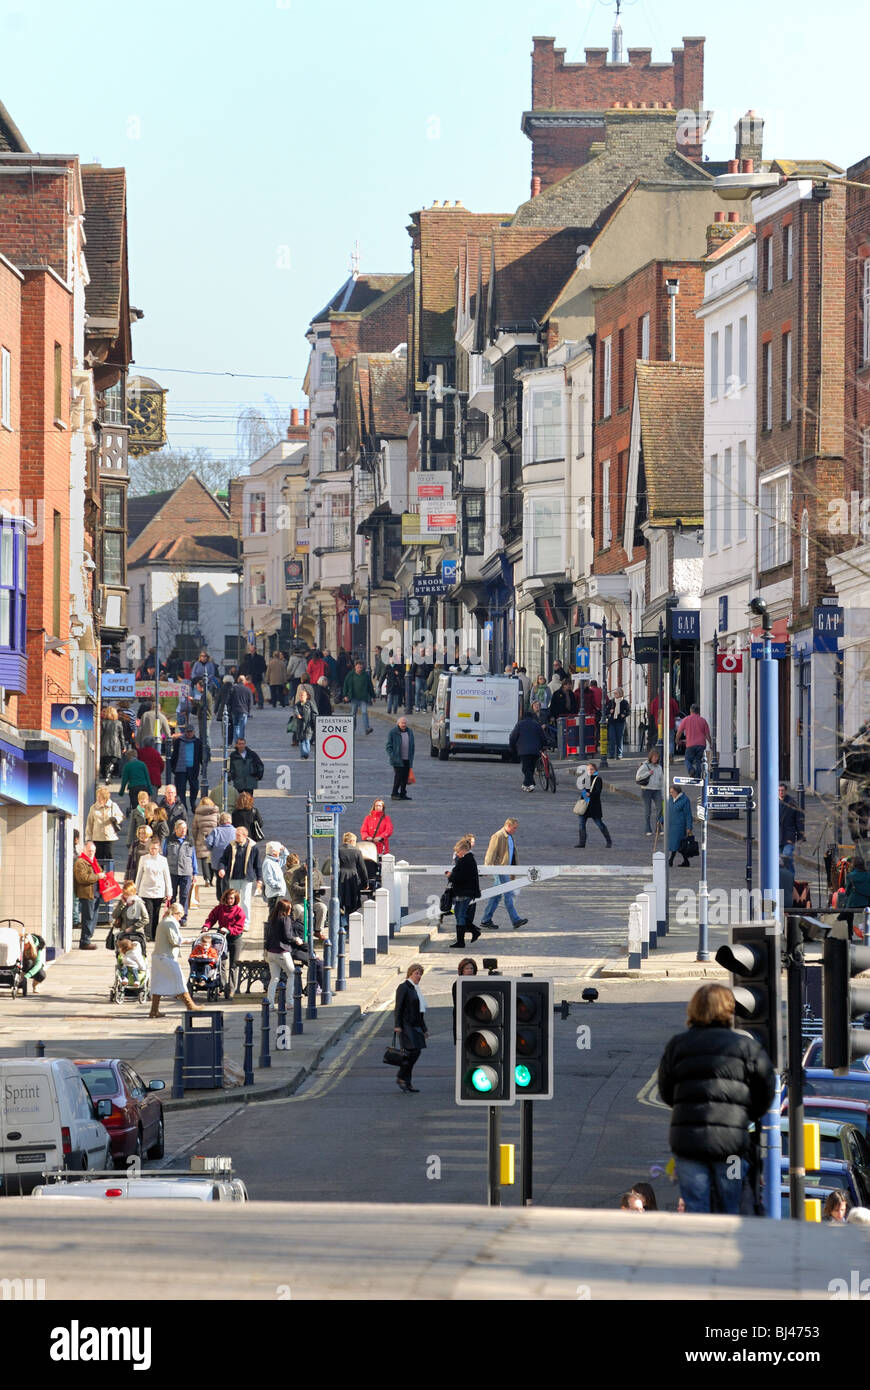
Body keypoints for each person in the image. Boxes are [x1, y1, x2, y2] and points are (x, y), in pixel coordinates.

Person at [658, 982, 776, 1215]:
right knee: (731, 1205)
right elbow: (767, 1089)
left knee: (695, 1207)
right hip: (731, 1145)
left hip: (689, 1142)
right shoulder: (745, 1046)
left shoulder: (678, 1045)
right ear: (728, 1009)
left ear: (694, 1009)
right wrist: (745, 1114)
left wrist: (687, 1108)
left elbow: (666, 1091)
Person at [149, 903, 202, 1018]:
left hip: (157, 957)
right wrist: (190, 940)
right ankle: (190, 1005)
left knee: (157, 983)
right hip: (166, 957)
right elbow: (174, 940)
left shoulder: (164, 921)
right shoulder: (171, 922)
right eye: (180, 916)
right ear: (176, 913)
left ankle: (154, 1010)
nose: (180, 918)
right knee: (179, 980)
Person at [480, 818, 528, 930]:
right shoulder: (498, 836)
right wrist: (486, 868)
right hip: (499, 870)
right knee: (508, 894)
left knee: (496, 896)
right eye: (514, 827)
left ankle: (486, 919)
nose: (515, 830)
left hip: (506, 870)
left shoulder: (509, 836)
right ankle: (515, 920)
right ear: (508, 825)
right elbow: (490, 853)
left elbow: (512, 854)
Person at [204, 889, 248, 995]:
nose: (230, 901)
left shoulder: (239, 911)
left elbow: (239, 927)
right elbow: (211, 919)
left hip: (235, 939)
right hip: (221, 939)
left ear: (235, 899)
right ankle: (222, 986)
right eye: (228, 898)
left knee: (233, 965)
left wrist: (229, 930)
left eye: (232, 898)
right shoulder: (219, 909)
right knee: (220, 963)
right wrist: (206, 926)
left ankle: (231, 988)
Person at [393, 963, 428, 1093]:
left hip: (416, 1026)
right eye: (416, 973)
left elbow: (420, 1012)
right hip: (406, 1025)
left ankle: (405, 1080)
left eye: (420, 974)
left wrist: (424, 1029)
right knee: (410, 1053)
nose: (418, 976)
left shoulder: (415, 989)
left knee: (415, 1053)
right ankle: (403, 1078)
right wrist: (397, 1025)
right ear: (410, 974)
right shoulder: (404, 987)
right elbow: (398, 1007)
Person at [217, 825, 263, 924]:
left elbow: (257, 864)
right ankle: (234, 921)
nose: (236, 837)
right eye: (236, 835)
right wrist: (221, 868)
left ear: (245, 836)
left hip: (247, 878)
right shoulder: (231, 846)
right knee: (233, 900)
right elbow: (223, 859)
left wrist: (259, 878)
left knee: (245, 901)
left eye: (238, 835)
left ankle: (245, 922)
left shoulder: (253, 847)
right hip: (234, 877)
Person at [134, 838, 173, 942]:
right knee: (148, 913)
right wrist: (136, 890)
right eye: (151, 848)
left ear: (158, 849)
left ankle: (154, 934)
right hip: (146, 890)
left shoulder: (163, 860)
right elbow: (139, 875)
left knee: (156, 914)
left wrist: (169, 892)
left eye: (155, 849)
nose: (153, 850)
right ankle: (147, 934)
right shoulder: (144, 859)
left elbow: (167, 877)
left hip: (159, 891)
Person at [446, 836, 481, 949]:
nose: (456, 853)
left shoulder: (466, 860)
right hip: (466, 890)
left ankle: (461, 941)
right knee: (458, 913)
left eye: (458, 851)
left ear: (463, 850)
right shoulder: (467, 859)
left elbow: (460, 877)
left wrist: (451, 876)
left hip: (465, 891)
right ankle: (474, 931)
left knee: (460, 914)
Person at [264, 896, 298, 1007]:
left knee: (274, 978)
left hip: (271, 953)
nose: (291, 910)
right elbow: (287, 936)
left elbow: (268, 937)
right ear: (286, 909)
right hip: (282, 952)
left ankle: (270, 1004)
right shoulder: (285, 919)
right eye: (290, 908)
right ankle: (289, 1002)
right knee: (292, 975)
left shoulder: (273, 919)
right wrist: (296, 939)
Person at [73, 841, 105, 950]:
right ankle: (85, 941)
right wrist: (98, 876)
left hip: (96, 894)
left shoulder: (93, 861)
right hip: (87, 894)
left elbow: (100, 873)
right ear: (84, 850)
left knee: (94, 918)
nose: (91, 853)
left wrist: (102, 876)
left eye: (93, 851)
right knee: (88, 918)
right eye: (89, 850)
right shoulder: (80, 862)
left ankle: (88, 939)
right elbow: (82, 878)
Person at [165, 819, 197, 925]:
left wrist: (195, 873)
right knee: (172, 895)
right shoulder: (169, 840)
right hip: (172, 872)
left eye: (185, 828)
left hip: (186, 872)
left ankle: (183, 918)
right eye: (181, 828)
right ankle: (172, 916)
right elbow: (164, 855)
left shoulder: (190, 841)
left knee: (184, 896)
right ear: (175, 829)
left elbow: (193, 858)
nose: (183, 831)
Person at [85, 785, 125, 869]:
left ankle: (110, 876)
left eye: (100, 797)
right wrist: (88, 839)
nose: (98, 799)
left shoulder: (113, 806)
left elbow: (121, 816)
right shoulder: (93, 808)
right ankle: (99, 877)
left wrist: (115, 819)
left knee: (109, 856)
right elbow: (89, 824)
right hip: (97, 837)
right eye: (97, 797)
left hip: (109, 837)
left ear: (105, 798)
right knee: (98, 858)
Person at [575, 763, 612, 850]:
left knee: (599, 824)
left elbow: (598, 792)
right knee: (581, 824)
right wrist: (584, 795)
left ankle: (608, 840)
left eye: (592, 769)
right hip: (585, 804)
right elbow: (583, 790)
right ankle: (582, 842)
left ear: (595, 770)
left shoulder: (598, 779)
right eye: (588, 769)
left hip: (594, 805)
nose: (590, 771)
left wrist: (590, 794)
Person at [508, 710, 547, 792]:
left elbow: (512, 737)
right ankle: (526, 784)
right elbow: (543, 737)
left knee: (526, 768)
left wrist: (512, 748)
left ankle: (531, 783)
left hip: (524, 750)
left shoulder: (519, 724)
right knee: (531, 768)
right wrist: (544, 746)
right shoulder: (536, 725)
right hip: (535, 750)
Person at [337, 831, 369, 922]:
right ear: (351, 841)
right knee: (352, 901)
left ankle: (342, 922)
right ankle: (350, 922)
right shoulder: (357, 851)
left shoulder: (338, 850)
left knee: (341, 899)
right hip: (353, 878)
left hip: (341, 877)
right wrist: (365, 883)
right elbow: (362, 869)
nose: (355, 844)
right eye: (355, 841)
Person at [169, 726, 202, 811]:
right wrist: (173, 768)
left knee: (194, 787)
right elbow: (174, 755)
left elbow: (200, 755)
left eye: (191, 732)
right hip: (181, 769)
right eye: (188, 732)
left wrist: (203, 765)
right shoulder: (179, 741)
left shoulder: (197, 742)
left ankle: (192, 803)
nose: (189, 733)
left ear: (193, 732)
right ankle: (184, 806)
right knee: (181, 789)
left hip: (193, 768)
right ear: (185, 732)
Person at [676, 704, 713, 779]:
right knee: (699, 761)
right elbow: (707, 734)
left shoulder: (686, 719)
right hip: (701, 744)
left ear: (691, 711)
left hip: (690, 744)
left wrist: (677, 741)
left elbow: (679, 732)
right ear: (698, 711)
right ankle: (698, 776)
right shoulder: (703, 720)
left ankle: (691, 769)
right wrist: (710, 743)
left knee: (688, 760)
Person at [112, 882, 150, 955]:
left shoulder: (139, 903)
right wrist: (122, 905)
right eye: (124, 894)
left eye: (128, 894)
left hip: (136, 934)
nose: (126, 896)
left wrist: (133, 927)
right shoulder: (122, 902)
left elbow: (146, 919)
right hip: (124, 933)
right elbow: (114, 915)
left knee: (136, 954)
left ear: (133, 893)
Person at [206, 812, 236, 899]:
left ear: (220, 821)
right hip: (231, 860)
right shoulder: (235, 831)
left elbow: (208, 842)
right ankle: (228, 897)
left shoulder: (216, 831)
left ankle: (220, 898)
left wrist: (213, 849)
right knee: (228, 880)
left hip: (217, 860)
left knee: (219, 880)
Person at [192, 795, 219, 887]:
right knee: (212, 858)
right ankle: (211, 878)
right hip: (214, 838)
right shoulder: (215, 813)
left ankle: (206, 878)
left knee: (204, 859)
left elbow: (195, 828)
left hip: (202, 837)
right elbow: (219, 826)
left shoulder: (198, 814)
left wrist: (195, 838)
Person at [636, 749, 664, 836]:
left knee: (660, 808)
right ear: (650, 757)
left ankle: (658, 828)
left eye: (657, 757)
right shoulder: (645, 766)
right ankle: (647, 829)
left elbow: (662, 781)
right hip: (646, 789)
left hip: (657, 790)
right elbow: (638, 777)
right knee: (648, 810)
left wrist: (663, 793)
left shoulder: (659, 767)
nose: (655, 758)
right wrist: (648, 773)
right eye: (654, 757)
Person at [343, 659, 375, 734]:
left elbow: (370, 686)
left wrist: (373, 696)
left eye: (361, 667)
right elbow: (345, 685)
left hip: (363, 698)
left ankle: (367, 728)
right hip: (354, 697)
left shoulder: (365, 676)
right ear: (355, 667)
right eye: (358, 667)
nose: (360, 669)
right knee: (353, 714)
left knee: (364, 712)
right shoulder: (350, 675)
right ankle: (352, 729)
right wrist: (345, 695)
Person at [386, 716, 415, 801]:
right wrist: (393, 755)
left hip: (407, 758)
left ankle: (403, 793)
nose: (403, 724)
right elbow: (388, 746)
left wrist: (412, 755)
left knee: (405, 777)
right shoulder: (393, 732)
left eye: (405, 723)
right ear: (398, 723)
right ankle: (394, 793)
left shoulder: (410, 732)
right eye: (402, 723)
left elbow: (412, 745)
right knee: (398, 776)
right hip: (397, 759)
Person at [667, 784, 694, 867]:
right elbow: (666, 811)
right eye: (670, 792)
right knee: (678, 845)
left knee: (677, 844)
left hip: (680, 826)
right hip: (671, 826)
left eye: (672, 792)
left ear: (677, 792)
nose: (671, 794)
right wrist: (661, 820)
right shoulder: (670, 799)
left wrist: (689, 827)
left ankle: (670, 860)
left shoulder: (685, 800)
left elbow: (688, 814)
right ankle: (685, 861)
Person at [778, 784, 804, 864]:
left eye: (782, 790)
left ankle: (790, 875)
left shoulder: (792, 803)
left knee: (787, 857)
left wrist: (801, 837)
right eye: (779, 790)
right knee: (777, 861)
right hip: (776, 837)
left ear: (786, 791)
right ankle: (781, 876)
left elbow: (799, 821)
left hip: (788, 836)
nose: (781, 792)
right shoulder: (772, 803)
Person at [288, 686, 315, 758]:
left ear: (306, 696)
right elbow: (295, 710)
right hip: (300, 725)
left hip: (308, 726)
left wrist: (314, 720)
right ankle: (303, 754)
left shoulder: (310, 704)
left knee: (307, 740)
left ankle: (306, 753)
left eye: (303, 696)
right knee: (302, 740)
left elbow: (314, 712)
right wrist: (298, 715)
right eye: (300, 696)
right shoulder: (297, 704)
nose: (301, 697)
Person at [261, 842, 288, 915]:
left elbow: (286, 858)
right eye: (279, 850)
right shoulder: (268, 863)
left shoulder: (275, 861)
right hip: (274, 895)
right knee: (274, 916)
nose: (280, 852)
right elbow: (268, 879)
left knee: (278, 915)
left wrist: (284, 849)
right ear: (274, 852)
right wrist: (279, 886)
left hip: (278, 893)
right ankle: (270, 926)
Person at [100, 707, 125, 782]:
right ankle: (109, 775)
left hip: (105, 744)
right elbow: (121, 736)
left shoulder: (103, 722)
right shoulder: (118, 723)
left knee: (106, 761)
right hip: (115, 744)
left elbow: (101, 735)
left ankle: (107, 775)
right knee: (113, 761)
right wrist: (123, 746)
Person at [227, 675, 253, 742]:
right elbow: (250, 702)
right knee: (242, 727)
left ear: (238, 680)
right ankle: (241, 742)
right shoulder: (247, 689)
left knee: (236, 727)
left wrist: (229, 708)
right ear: (244, 681)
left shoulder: (233, 688)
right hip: (244, 710)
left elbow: (229, 700)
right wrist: (249, 712)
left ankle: (237, 742)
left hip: (235, 710)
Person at [607, 689, 630, 760]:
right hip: (612, 722)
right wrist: (610, 711)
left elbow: (629, 711)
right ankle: (611, 754)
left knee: (619, 738)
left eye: (616, 693)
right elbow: (606, 711)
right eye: (614, 693)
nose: (615, 695)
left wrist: (624, 715)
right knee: (612, 738)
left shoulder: (624, 702)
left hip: (620, 722)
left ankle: (619, 754)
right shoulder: (611, 702)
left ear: (620, 694)